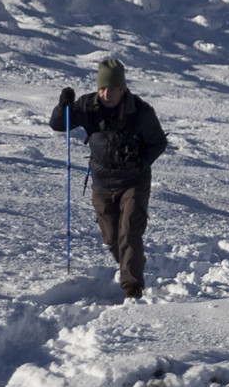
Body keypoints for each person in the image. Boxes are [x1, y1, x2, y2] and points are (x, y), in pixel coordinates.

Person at [50, 59, 167, 299]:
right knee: (111, 237)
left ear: (122, 89)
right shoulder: (88, 104)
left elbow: (158, 142)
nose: (106, 93)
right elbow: (59, 125)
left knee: (130, 231)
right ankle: (132, 261)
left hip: (134, 181)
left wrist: (141, 161)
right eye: (103, 88)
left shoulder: (141, 111)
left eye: (112, 88)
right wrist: (64, 106)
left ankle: (132, 287)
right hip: (102, 181)